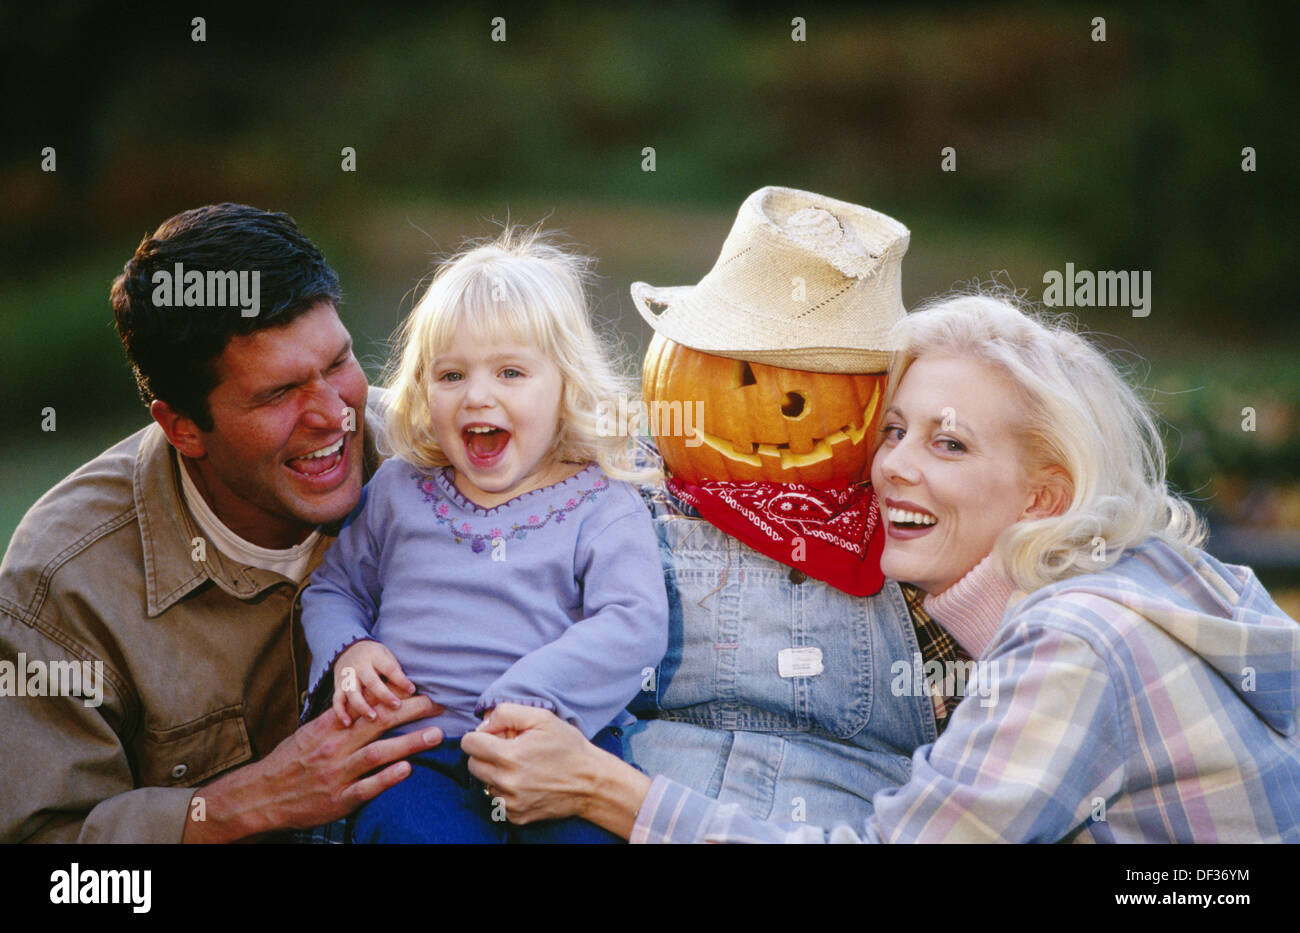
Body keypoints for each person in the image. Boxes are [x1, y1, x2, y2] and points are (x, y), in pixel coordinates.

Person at [463, 291, 1300, 843]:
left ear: (1046, 497)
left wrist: (607, 790)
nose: (893, 466)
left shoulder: (1076, 640)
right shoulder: (1138, 573)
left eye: (949, 442)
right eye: (892, 431)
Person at [0, 203, 442, 844]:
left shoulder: (439, 458)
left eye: (338, 363)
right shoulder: (61, 589)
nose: (332, 415)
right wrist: (236, 807)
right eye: (279, 393)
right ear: (181, 427)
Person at [301, 226, 668, 843]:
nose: (477, 395)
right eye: (451, 376)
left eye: (510, 372)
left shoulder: (602, 502)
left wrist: (535, 690)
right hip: (418, 752)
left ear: (566, 387)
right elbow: (333, 590)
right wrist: (348, 652)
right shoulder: (398, 491)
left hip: (555, 748)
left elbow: (633, 623)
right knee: (406, 829)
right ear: (422, 388)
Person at [619, 186, 969, 830]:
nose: (793, 404)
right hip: (641, 811)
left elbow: (980, 735)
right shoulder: (632, 494)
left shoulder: (914, 533)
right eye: (745, 368)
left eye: (834, 377)